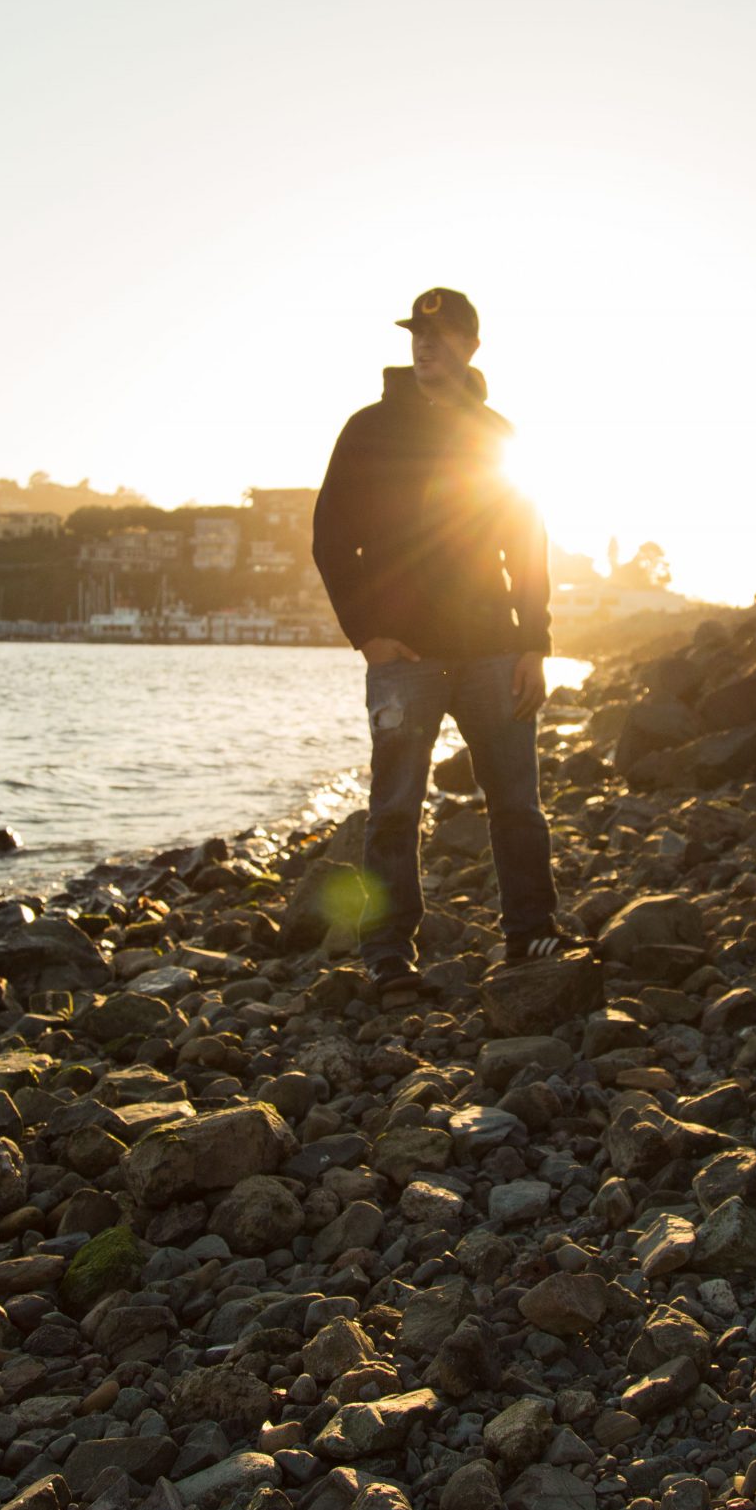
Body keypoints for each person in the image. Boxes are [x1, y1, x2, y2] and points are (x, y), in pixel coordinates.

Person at [312, 287, 566, 999]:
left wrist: (535, 643)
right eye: (418, 335)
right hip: (406, 660)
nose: (427, 345)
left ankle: (531, 929)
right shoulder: (369, 429)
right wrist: (368, 634)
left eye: (444, 334)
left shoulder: (496, 432)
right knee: (394, 806)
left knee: (517, 799)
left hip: (494, 649)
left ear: (471, 347)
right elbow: (332, 537)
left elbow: (528, 541)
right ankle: (389, 950)